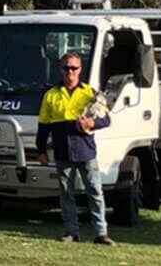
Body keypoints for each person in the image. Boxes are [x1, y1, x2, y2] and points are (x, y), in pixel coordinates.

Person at [35, 52, 114, 246]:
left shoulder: (90, 93)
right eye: (66, 68)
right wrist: (41, 150)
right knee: (66, 195)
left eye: (74, 68)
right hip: (63, 152)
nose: (70, 71)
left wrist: (91, 123)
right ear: (61, 70)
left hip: (86, 152)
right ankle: (71, 233)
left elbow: (106, 119)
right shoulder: (51, 95)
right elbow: (43, 126)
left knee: (95, 192)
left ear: (80, 70)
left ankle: (101, 234)